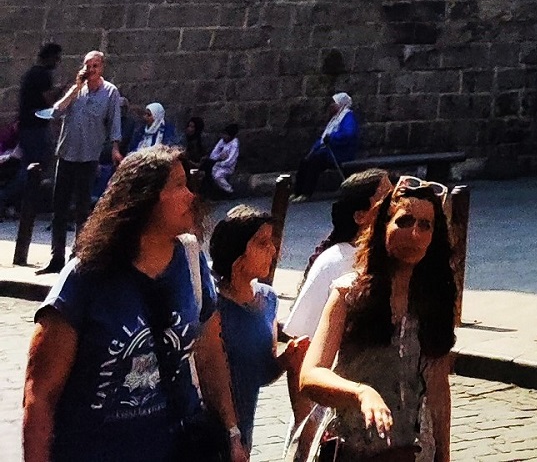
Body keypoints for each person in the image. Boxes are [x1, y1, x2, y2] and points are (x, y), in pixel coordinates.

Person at [21, 144, 247, 462]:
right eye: (179, 185)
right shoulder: (85, 277)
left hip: (179, 450)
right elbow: (40, 393)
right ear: (145, 198)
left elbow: (210, 355)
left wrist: (232, 433)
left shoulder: (191, 262)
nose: (191, 196)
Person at [301, 175, 454, 461]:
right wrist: (360, 393)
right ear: (383, 225)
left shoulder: (435, 300)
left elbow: (437, 386)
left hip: (413, 452)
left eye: (425, 225)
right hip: (354, 448)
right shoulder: (349, 293)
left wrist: (444, 454)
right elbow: (310, 375)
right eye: (404, 221)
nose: (414, 234)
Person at [283, 168, 391, 417]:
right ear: (361, 216)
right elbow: (300, 349)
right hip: (331, 409)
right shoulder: (336, 261)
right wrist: (305, 421)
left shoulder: (392, 260)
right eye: (387, 199)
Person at [208, 204, 287, 450]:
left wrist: (289, 359)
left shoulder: (268, 298)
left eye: (271, 242)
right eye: (262, 243)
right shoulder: (211, 305)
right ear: (237, 252)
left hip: (245, 429)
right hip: (208, 430)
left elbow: (262, 373)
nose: (272, 250)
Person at [43, 52, 125, 273]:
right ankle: (56, 257)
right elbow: (56, 112)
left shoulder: (110, 92)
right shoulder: (76, 90)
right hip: (67, 154)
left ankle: (78, 255)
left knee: (82, 209)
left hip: (89, 156)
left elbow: (114, 122)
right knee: (59, 208)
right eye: (88, 66)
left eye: (95, 66)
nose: (91, 70)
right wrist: (75, 89)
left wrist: (115, 148)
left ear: (102, 67)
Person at [293, 93, 358, 198]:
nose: (332, 105)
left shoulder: (348, 117)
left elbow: (348, 134)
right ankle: (297, 191)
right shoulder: (335, 118)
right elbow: (323, 138)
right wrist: (314, 148)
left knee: (315, 162)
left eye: (334, 103)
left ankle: (306, 193)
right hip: (328, 150)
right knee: (305, 161)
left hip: (339, 152)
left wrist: (332, 138)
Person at [209, 124, 241, 199]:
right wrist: (219, 156)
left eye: (226, 135)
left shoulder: (234, 144)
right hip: (218, 164)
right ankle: (219, 191)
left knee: (218, 176)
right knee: (212, 173)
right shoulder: (222, 141)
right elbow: (213, 155)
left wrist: (221, 162)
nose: (224, 136)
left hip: (228, 167)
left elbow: (231, 160)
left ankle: (229, 190)